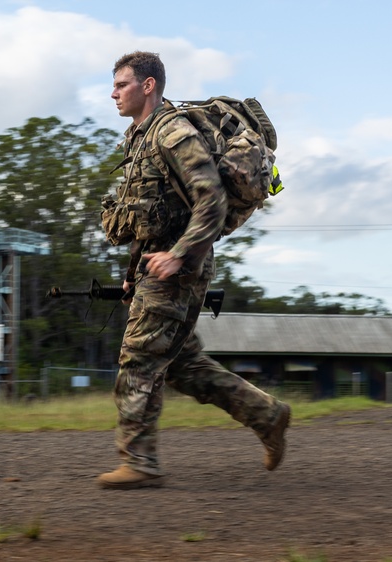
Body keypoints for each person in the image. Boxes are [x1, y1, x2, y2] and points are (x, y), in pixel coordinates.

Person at [98, 51, 290, 489]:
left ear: (148, 86)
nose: (113, 93)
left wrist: (179, 256)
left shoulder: (172, 134)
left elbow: (211, 201)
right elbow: (149, 215)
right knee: (182, 364)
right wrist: (134, 272)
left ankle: (139, 462)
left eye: (122, 84)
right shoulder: (140, 138)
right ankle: (268, 416)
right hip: (162, 265)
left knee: (139, 360)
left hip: (180, 266)